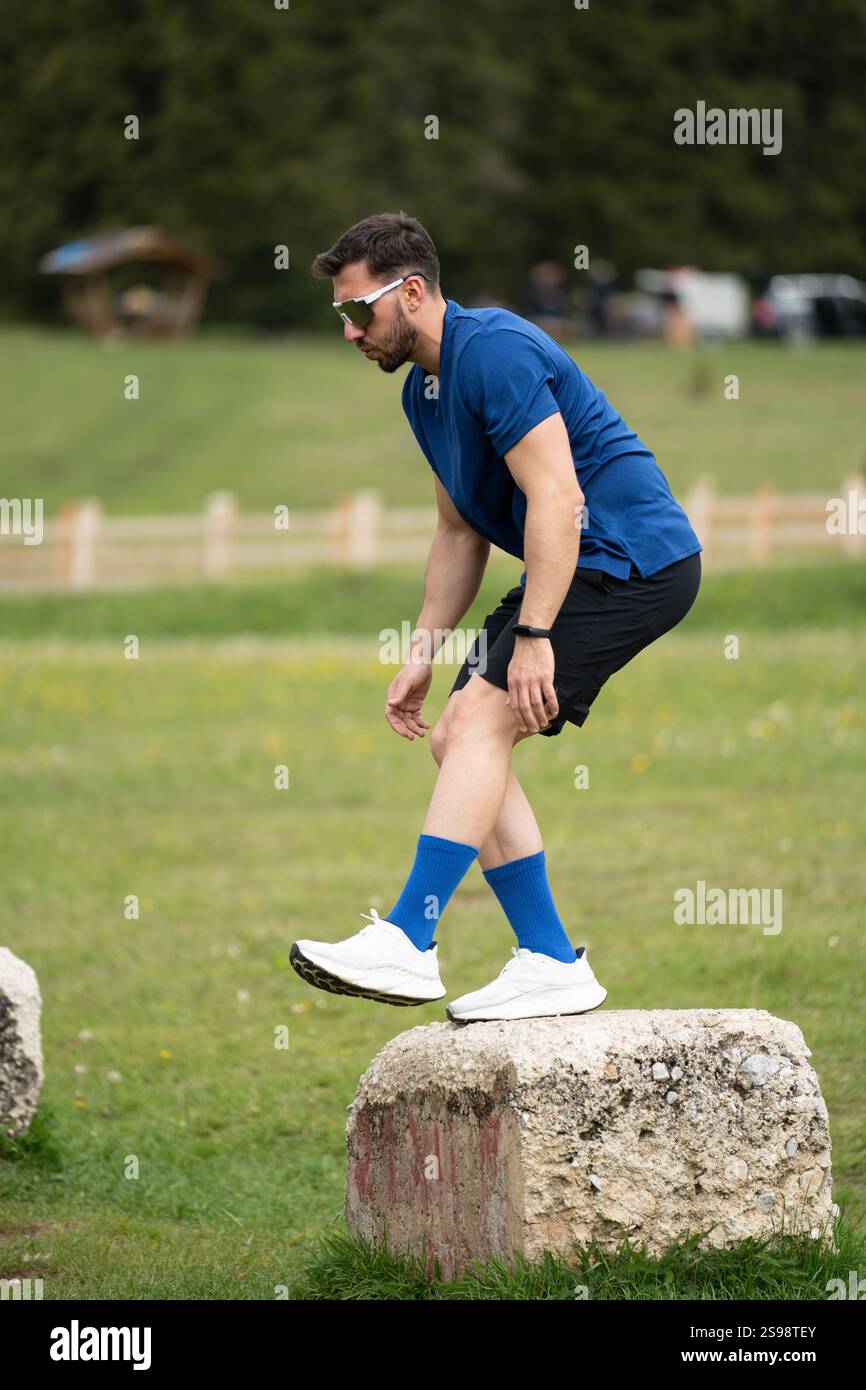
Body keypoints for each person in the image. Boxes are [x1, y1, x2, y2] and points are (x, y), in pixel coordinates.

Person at [290, 211, 702, 1023]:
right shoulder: (427, 392)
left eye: (356, 310)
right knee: (456, 736)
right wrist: (422, 649)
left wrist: (537, 637)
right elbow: (457, 529)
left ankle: (411, 937)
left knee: (479, 722)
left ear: (411, 293)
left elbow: (559, 496)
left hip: (630, 557)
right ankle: (550, 960)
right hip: (578, 560)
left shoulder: (497, 352)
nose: (349, 332)